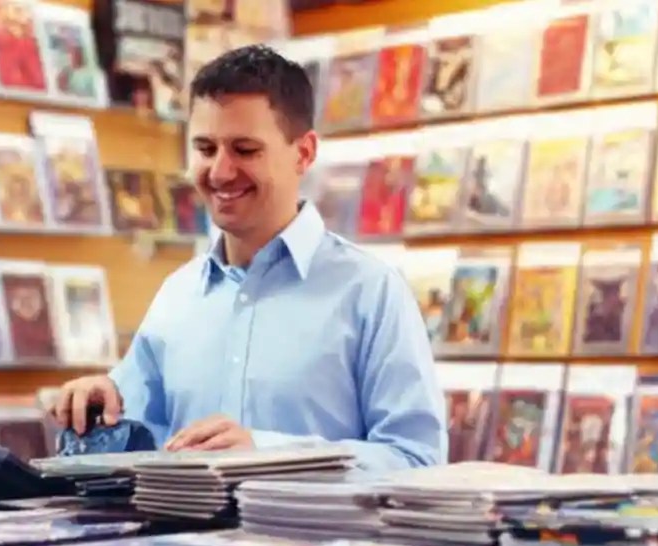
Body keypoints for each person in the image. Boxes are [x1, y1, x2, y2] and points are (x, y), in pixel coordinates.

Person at [52, 44, 445, 471]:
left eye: (244, 149)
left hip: (319, 539)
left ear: (304, 153)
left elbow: (417, 458)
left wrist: (267, 453)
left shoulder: (372, 292)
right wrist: (98, 404)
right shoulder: (177, 295)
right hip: (180, 538)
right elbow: (136, 434)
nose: (219, 172)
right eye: (205, 148)